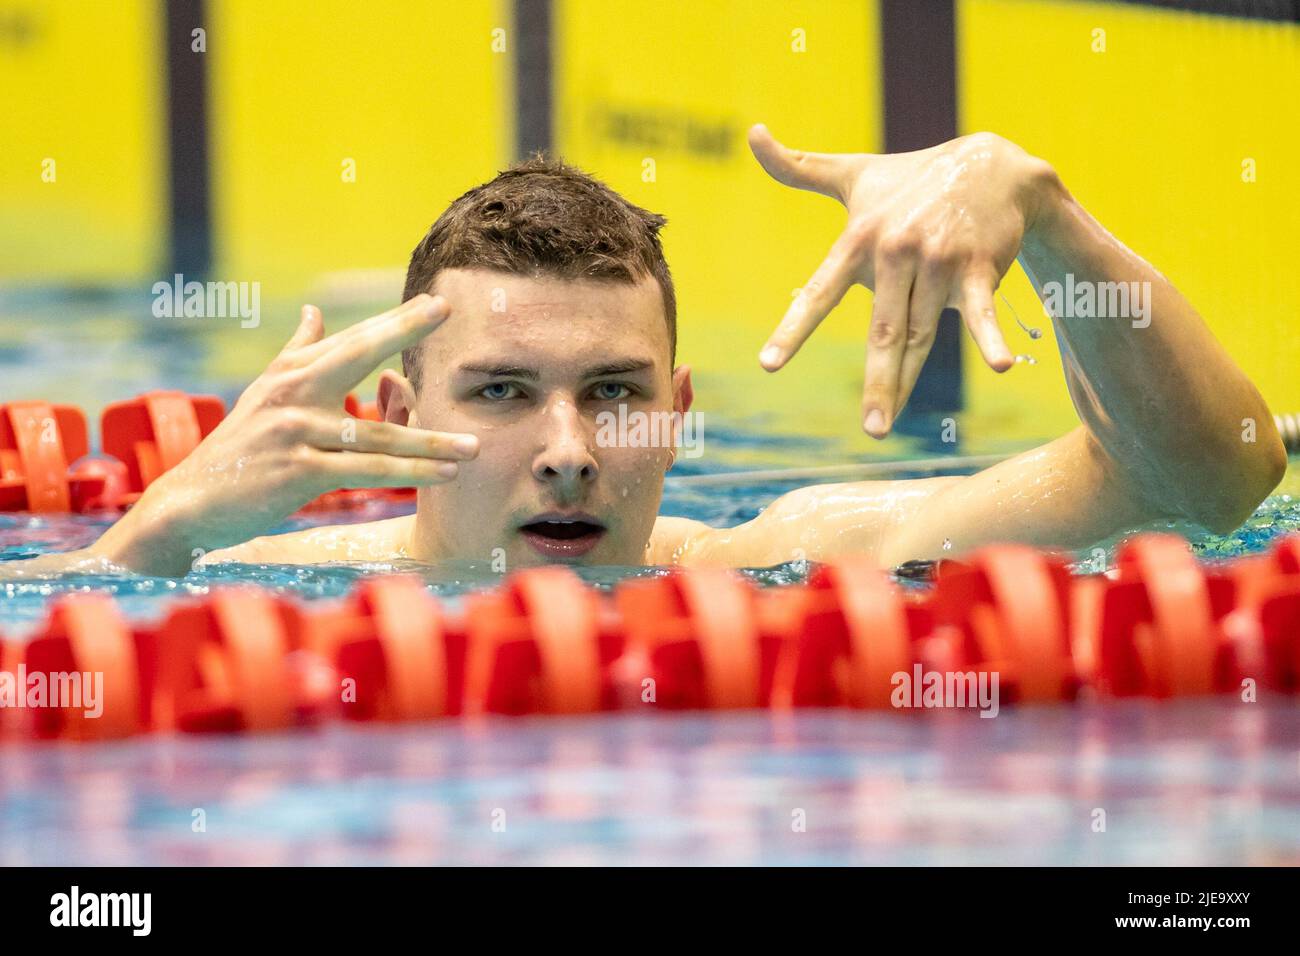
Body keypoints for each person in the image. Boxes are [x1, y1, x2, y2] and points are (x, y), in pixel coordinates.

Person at [5, 126, 1285, 578]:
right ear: (397, 408)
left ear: (674, 410)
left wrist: (1042, 212)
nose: (568, 453)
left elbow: (1203, 485)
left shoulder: (772, 562)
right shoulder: (257, 582)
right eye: (503, 393)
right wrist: (147, 538)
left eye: (612, 395)